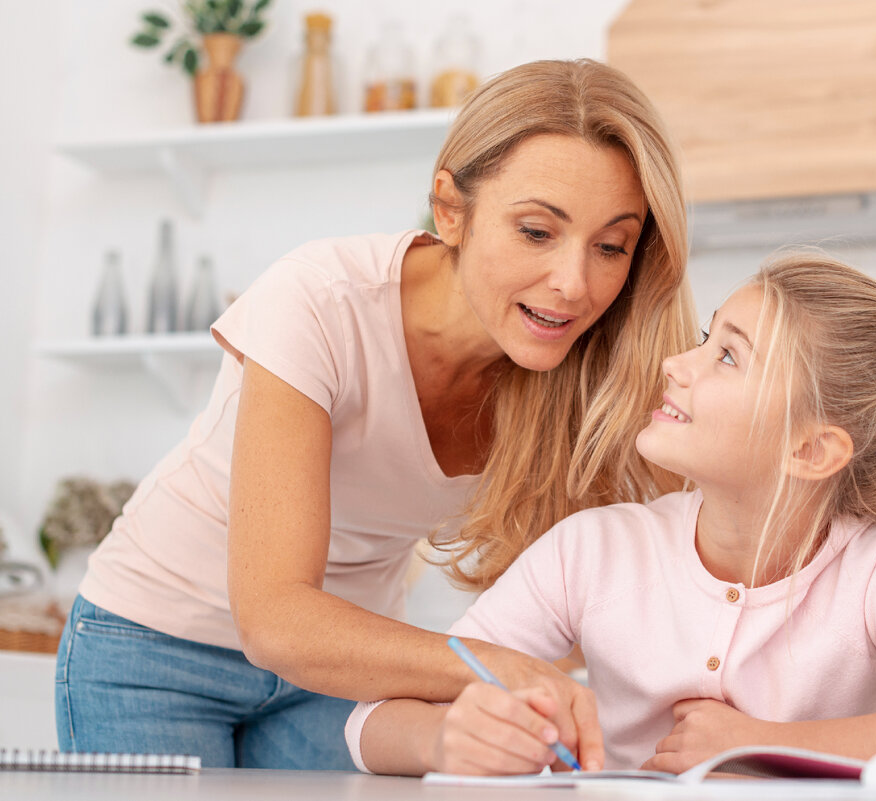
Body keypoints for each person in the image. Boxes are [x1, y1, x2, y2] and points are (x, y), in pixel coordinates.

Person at [54, 58, 697, 770]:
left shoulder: (591, 375)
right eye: (537, 232)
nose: (574, 283)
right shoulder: (321, 302)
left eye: (611, 246)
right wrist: (491, 664)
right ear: (450, 209)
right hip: (151, 643)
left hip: (342, 671)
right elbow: (275, 617)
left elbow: (673, 562)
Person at [345, 254, 876, 776]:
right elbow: (369, 722)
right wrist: (446, 737)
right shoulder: (595, 552)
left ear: (812, 448)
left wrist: (763, 745)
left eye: (728, 356)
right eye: (706, 337)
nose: (677, 364)